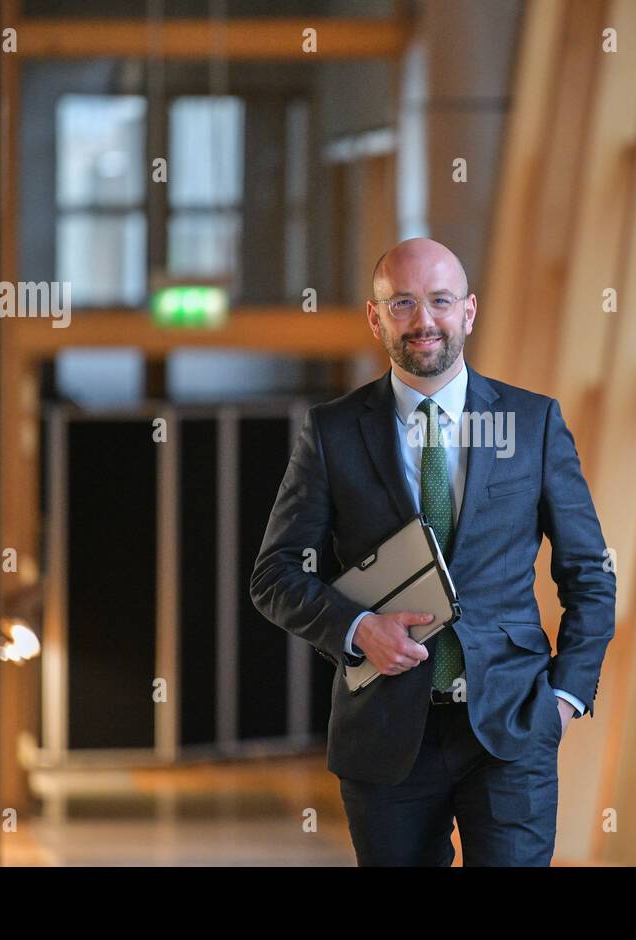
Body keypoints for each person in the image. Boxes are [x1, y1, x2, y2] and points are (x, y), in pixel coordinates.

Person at [249, 236, 615, 865]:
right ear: (375, 317)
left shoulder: (533, 423)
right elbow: (276, 574)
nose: (423, 321)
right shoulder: (333, 432)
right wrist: (359, 628)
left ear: (468, 311)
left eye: (440, 301)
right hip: (386, 738)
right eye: (403, 305)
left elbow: (589, 572)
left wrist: (565, 697)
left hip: (512, 727)